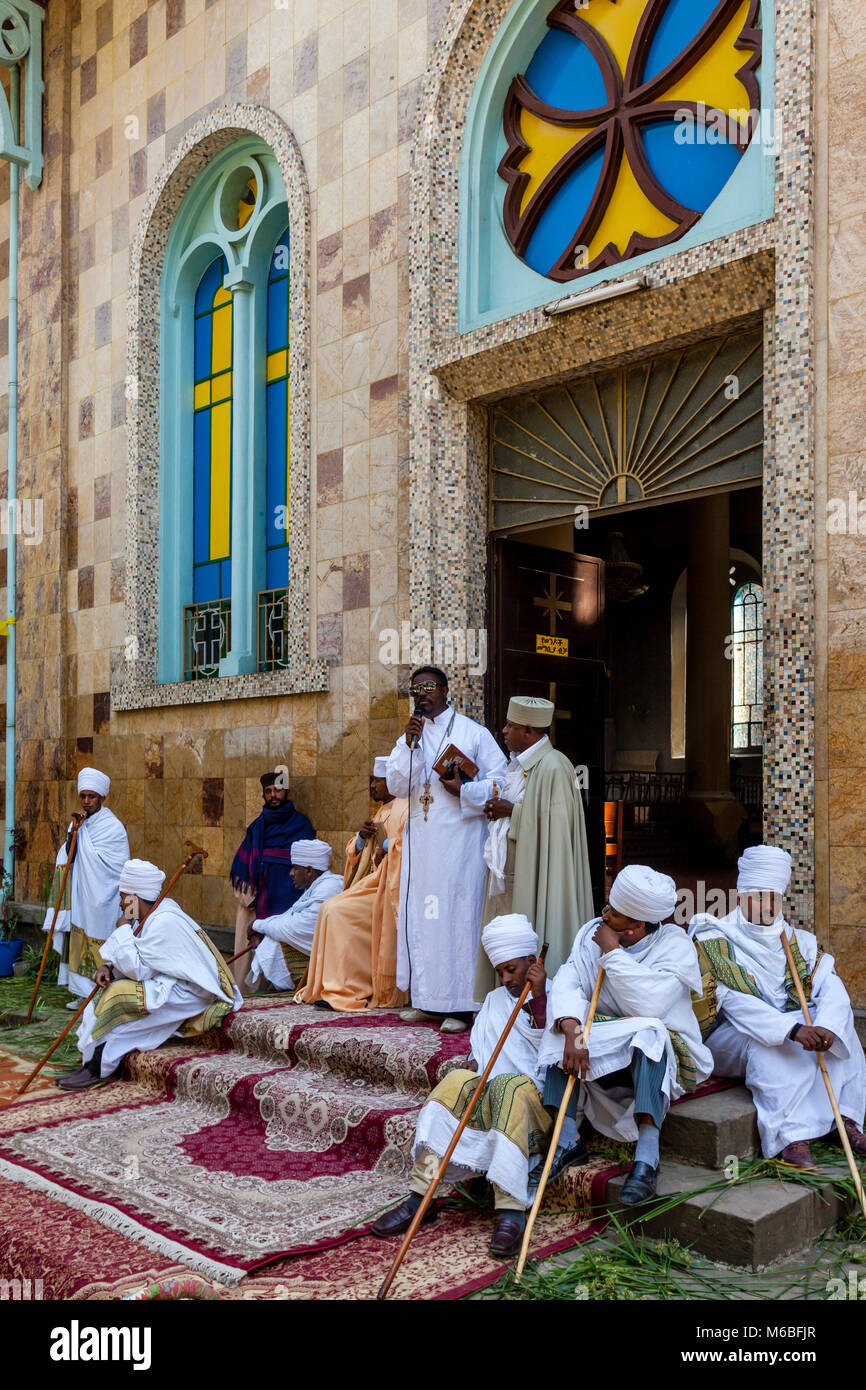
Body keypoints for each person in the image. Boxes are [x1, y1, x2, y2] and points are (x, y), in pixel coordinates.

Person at [371, 914, 551, 1256]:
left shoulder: (558, 996)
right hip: (494, 1097)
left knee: (507, 1087)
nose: (506, 978)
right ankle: (419, 1198)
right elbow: (482, 1051)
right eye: (500, 971)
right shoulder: (496, 1002)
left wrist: (538, 999)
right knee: (456, 1080)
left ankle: (511, 1211)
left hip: (535, 1106)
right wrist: (473, 1065)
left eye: (512, 969)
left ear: (532, 962)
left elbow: (553, 1049)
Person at [538, 864, 712, 1205]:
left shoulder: (674, 945)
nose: (604, 918)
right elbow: (568, 980)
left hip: (661, 1050)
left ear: (634, 928)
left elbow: (650, 1004)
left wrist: (613, 954)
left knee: (651, 1032)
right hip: (601, 1044)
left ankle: (647, 1158)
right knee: (559, 1031)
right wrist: (573, 1028)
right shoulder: (592, 932)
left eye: (614, 915)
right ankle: (567, 1142)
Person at [690, 845, 866, 1167]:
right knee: (769, 1046)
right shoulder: (714, 937)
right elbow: (732, 1002)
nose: (769, 906)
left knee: (845, 1032)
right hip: (729, 1035)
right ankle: (790, 1136)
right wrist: (791, 1029)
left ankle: (844, 1120)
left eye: (774, 897)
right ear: (741, 896)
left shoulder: (798, 939)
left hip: (793, 1025)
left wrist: (825, 1025)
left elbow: (831, 984)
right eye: (759, 896)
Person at [386, 665, 507, 1033]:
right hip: (423, 849)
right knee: (426, 921)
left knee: (457, 919)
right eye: (415, 689)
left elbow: (502, 783)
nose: (421, 695)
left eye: (428, 687)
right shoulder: (411, 737)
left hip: (462, 846)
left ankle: (463, 1004)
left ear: (444, 690)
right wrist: (412, 747)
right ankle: (428, 1000)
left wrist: (465, 791)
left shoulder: (474, 733)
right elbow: (395, 784)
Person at [57, 858, 242, 1091]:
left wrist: (122, 928)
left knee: (119, 999)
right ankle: (92, 1061)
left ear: (135, 898)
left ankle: (97, 1066)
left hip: (191, 993)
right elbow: (139, 959)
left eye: (124, 897)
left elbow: (139, 970)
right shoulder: (151, 915)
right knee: (114, 998)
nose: (121, 903)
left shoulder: (164, 920)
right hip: (168, 983)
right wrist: (107, 968)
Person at [469, 695, 594, 999]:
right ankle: (500, 1004)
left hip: (536, 874)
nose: (503, 731)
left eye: (510, 726)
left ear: (527, 730)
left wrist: (511, 811)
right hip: (509, 872)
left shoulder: (554, 766)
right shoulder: (519, 765)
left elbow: (556, 830)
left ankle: (535, 1005)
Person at [296, 759, 409, 1011]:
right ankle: (331, 986)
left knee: (337, 912)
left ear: (390, 781)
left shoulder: (407, 807)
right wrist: (361, 839)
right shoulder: (380, 812)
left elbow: (410, 848)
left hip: (391, 890)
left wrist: (387, 851)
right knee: (329, 908)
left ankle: (349, 988)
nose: (371, 786)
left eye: (375, 780)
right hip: (372, 885)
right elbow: (356, 855)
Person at [46, 768, 130, 1010]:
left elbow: (118, 865)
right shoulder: (79, 824)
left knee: (101, 943)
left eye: (91, 796)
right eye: (83, 796)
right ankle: (82, 993)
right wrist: (74, 832)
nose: (86, 801)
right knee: (79, 940)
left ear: (102, 798)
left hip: (104, 897)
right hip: (82, 895)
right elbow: (69, 856)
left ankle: (101, 994)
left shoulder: (113, 827)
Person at [229, 771, 314, 987]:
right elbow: (241, 866)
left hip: (291, 905)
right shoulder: (257, 827)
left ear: (286, 791)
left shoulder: (302, 825)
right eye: (268, 791)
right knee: (250, 964)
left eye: (277, 790)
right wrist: (251, 900)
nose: (273, 795)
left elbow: (311, 866)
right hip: (257, 903)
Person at [246, 840, 343, 992]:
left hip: (333, 962)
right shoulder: (316, 886)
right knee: (272, 938)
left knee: (275, 941)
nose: (291, 873)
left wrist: (257, 925)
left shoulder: (330, 888)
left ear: (309, 871)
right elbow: (288, 917)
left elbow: (295, 928)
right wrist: (260, 927)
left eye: (295, 868)